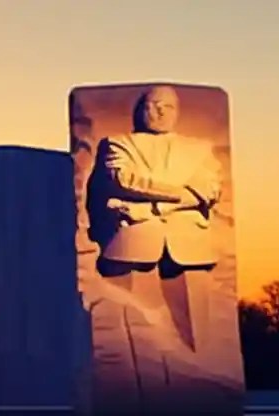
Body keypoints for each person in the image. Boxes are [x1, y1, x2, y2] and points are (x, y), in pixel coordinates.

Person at [89, 85, 223, 275]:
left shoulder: (199, 148)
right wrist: (182, 193)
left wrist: (151, 208)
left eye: (169, 107)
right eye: (154, 104)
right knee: (126, 301)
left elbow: (210, 190)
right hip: (132, 244)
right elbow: (122, 179)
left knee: (196, 302)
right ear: (140, 110)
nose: (161, 111)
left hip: (193, 246)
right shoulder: (118, 143)